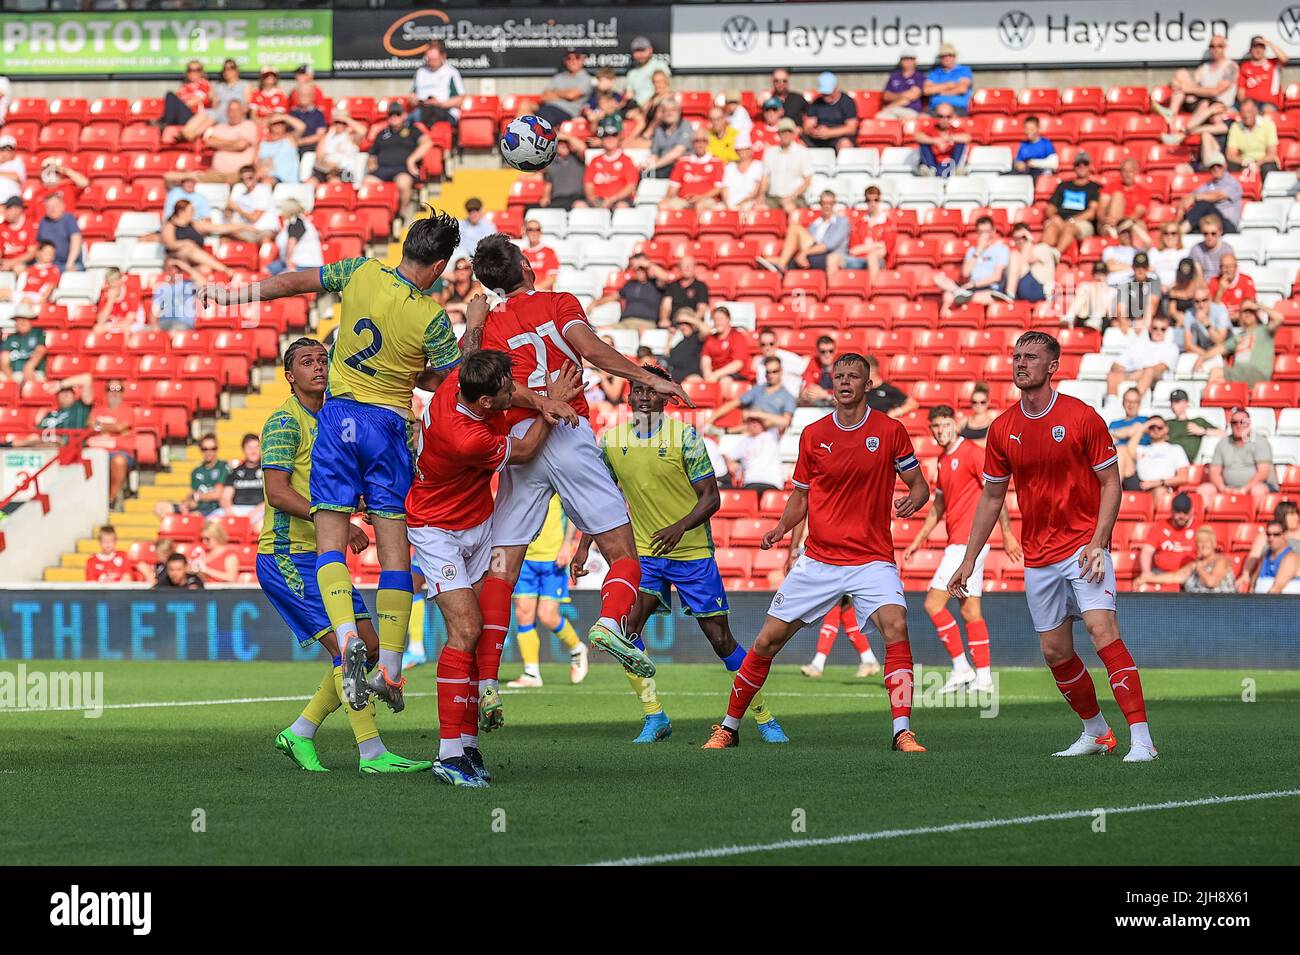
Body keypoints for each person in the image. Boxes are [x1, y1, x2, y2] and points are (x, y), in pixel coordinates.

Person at [199, 210, 469, 713]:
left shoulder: (361, 271)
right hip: (388, 425)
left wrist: (236, 294)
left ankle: (346, 637)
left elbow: (293, 282)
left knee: (331, 544)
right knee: (394, 555)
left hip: (339, 420)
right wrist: (469, 337)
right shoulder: (431, 317)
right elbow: (452, 382)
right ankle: (390, 665)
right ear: (438, 265)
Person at [463, 233, 693, 710]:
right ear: (526, 266)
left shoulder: (490, 324)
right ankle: (610, 623)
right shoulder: (558, 301)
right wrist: (648, 377)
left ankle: (486, 682)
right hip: (566, 429)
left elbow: (470, 375)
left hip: (520, 439)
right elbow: (592, 350)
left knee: (502, 566)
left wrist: (474, 325)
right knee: (623, 552)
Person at [703, 352, 930, 751]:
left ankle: (902, 730)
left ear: (867, 384)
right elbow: (800, 497)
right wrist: (779, 528)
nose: (844, 382)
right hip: (819, 560)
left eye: (853, 376)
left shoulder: (890, 430)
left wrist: (915, 497)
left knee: (896, 627)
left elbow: (920, 484)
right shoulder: (813, 434)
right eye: (839, 376)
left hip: (872, 559)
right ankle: (729, 727)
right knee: (766, 643)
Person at [948, 330, 1158, 762]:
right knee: (1054, 650)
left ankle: (1142, 740)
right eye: (1016, 355)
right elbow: (991, 495)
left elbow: (1111, 484)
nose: (1020, 363)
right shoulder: (1003, 427)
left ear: (1052, 367)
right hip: (1038, 556)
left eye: (1030, 357)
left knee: (1103, 633)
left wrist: (1099, 543)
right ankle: (1097, 733)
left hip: (1084, 547)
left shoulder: (1082, 417)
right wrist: (969, 559)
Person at [579, 367, 788, 743]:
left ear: (665, 398)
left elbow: (712, 497)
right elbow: (601, 501)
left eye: (652, 391)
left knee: (720, 639)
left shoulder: (685, 438)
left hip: (691, 552)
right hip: (644, 553)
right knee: (625, 634)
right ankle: (654, 716)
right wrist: (582, 546)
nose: (643, 396)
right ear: (629, 397)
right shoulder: (611, 441)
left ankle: (764, 717)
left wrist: (679, 528)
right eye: (637, 390)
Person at [259, 337, 432, 776]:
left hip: (320, 553)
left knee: (368, 649)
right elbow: (276, 492)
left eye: (323, 359)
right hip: (287, 554)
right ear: (289, 375)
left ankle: (300, 731)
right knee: (347, 653)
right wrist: (338, 521)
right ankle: (372, 753)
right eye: (306, 362)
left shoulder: (340, 418)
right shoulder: (284, 422)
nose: (317, 367)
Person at [410, 350, 577, 787]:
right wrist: (552, 404)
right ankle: (448, 754)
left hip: (477, 524)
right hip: (437, 529)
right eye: (507, 390)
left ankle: (467, 745)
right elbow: (522, 451)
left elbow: (481, 362)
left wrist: (479, 325)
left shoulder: (458, 383)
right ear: (486, 402)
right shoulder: (467, 436)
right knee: (465, 629)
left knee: (477, 629)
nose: (513, 392)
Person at [902, 405, 1022, 692]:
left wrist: (1007, 533)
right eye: (935, 426)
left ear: (955, 423)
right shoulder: (944, 460)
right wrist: (917, 541)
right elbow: (938, 507)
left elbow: (995, 493)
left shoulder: (972, 452)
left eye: (944, 424)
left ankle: (961, 668)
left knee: (933, 604)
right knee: (970, 611)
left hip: (967, 545)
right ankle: (983, 677)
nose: (940, 430)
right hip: (960, 544)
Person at [504, 495, 588, 688]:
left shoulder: (553, 474)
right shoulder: (513, 476)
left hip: (553, 557)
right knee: (523, 612)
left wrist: (568, 544)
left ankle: (577, 648)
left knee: (547, 615)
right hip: (523, 556)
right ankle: (531, 673)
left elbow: (572, 510)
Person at [1157, 34, 1236, 136]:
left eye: (1219, 46)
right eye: (1212, 46)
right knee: (1181, 74)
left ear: (1225, 47)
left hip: (1219, 107)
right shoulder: (1205, 67)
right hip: (1201, 102)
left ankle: (1182, 132)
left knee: (1203, 103)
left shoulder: (1230, 67)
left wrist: (1187, 88)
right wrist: (1176, 83)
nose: (1215, 49)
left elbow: (1216, 91)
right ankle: (1171, 116)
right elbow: (1190, 82)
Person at [759, 190, 849, 274]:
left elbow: (828, 245)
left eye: (830, 203)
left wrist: (804, 253)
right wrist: (803, 254)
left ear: (834, 204)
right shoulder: (815, 223)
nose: (827, 206)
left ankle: (781, 266)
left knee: (794, 228)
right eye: (824, 203)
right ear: (820, 204)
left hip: (828, 256)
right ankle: (780, 266)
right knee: (769, 260)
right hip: (811, 255)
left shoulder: (841, 222)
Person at [1200, 407, 1276, 503]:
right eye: (1234, 422)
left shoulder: (1260, 442)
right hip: (1228, 487)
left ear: (1249, 423)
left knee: (1258, 490)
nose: (1238, 425)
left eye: (1242, 422)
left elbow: (1263, 473)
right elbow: (1214, 471)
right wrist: (1222, 488)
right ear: (1230, 424)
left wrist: (1244, 489)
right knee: (1204, 490)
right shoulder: (1223, 443)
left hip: (1257, 485)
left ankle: (1252, 517)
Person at [933, 214, 1009, 311]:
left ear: (993, 231)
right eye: (981, 232)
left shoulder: (1001, 249)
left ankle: (961, 296)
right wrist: (978, 251)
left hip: (987, 287)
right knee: (938, 278)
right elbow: (965, 273)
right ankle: (959, 292)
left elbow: (997, 276)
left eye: (987, 231)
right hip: (969, 288)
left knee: (949, 296)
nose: (984, 235)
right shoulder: (972, 251)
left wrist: (975, 284)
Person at [366, 103, 433, 211]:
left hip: (403, 169)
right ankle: (378, 215)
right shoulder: (382, 133)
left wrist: (412, 160)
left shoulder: (412, 130)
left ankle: (401, 214)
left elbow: (427, 143)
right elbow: (372, 153)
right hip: (382, 170)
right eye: (391, 114)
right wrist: (371, 163)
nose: (394, 117)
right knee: (367, 184)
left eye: (397, 114)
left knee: (403, 183)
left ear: (404, 115)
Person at [1201, 299, 1283, 386]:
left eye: (1250, 311)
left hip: (1256, 374)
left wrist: (1259, 306)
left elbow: (1279, 318)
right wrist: (1201, 359)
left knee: (1218, 376)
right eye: (1244, 311)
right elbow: (1221, 348)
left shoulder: (1264, 330)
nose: (1247, 314)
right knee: (1216, 375)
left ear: (1256, 313)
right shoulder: (1239, 336)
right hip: (1238, 373)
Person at [1136, 526, 1235, 593]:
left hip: (1221, 610)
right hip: (1197, 611)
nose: (1204, 545)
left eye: (1207, 541)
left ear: (1214, 543)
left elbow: (1211, 582)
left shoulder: (1221, 561)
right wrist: (1147, 578)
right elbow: (1174, 577)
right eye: (1200, 542)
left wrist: (1200, 569)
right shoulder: (1194, 565)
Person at [1126, 416, 1192, 510]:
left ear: (1166, 429)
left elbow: (1183, 477)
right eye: (1152, 427)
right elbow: (1129, 450)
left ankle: (1156, 523)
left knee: (1159, 491)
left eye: (1159, 427)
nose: (1156, 430)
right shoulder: (1141, 449)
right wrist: (1145, 426)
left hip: (1162, 486)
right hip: (1139, 486)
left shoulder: (1175, 449)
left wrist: (1157, 483)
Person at [1105, 316, 1179, 399]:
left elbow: (1160, 368)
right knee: (1112, 376)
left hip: (1156, 379)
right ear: (1150, 328)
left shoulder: (1171, 347)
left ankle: (1134, 401)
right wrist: (1126, 372)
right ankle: (1112, 405)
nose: (1159, 331)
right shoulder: (1138, 345)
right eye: (1155, 328)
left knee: (1149, 371)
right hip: (1133, 374)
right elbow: (1116, 365)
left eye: (1163, 329)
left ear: (1167, 330)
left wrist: (1133, 375)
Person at [1042, 153, 1101, 254]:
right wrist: (1054, 217)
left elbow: (1091, 213)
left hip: (1081, 222)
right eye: (1078, 164)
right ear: (1074, 166)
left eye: (1085, 163)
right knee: (1051, 227)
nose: (1081, 166)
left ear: (1089, 167)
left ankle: (1056, 254)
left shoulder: (1094, 187)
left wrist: (1072, 220)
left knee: (1069, 228)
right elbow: (1050, 208)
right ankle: (1043, 254)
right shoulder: (1063, 186)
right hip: (1060, 220)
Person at [162, 200, 233, 280]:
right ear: (181, 212)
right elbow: (170, 244)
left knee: (206, 269)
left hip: (192, 264)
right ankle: (225, 269)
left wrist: (245, 227)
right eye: (191, 210)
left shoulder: (194, 224)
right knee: (189, 249)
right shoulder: (170, 225)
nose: (194, 213)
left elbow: (220, 228)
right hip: (176, 260)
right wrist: (186, 243)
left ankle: (193, 278)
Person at [1137, 492, 1198, 579]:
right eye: (1178, 512)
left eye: (1185, 512)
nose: (1181, 516)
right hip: (1162, 574)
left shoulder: (1199, 529)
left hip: (1189, 575)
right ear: (1172, 510)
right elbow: (1147, 551)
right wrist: (1146, 572)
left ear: (1191, 511)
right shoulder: (1160, 527)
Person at [197, 100, 260, 184]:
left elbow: (240, 145)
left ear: (242, 112)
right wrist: (234, 142)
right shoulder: (219, 127)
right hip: (216, 173)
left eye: (237, 110)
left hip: (238, 174)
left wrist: (219, 143)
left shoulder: (249, 125)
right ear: (226, 113)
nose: (233, 113)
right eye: (230, 110)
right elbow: (209, 142)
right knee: (192, 179)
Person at [659, 130, 724, 211]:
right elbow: (673, 187)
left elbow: (718, 188)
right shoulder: (682, 162)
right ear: (692, 143)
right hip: (684, 200)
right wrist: (667, 198)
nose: (700, 144)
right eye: (697, 141)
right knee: (664, 205)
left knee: (700, 205)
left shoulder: (716, 162)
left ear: (708, 143)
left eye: (703, 140)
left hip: (706, 199)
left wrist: (700, 197)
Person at [840, 185, 895, 279]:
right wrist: (874, 245)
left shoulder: (889, 224)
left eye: (876, 200)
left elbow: (884, 251)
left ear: (880, 200)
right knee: (835, 259)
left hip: (879, 262)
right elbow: (853, 251)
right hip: (858, 260)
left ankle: (875, 292)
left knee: (872, 258)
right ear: (865, 201)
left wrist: (865, 248)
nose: (872, 203)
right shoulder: (858, 225)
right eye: (869, 200)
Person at [760, 118, 813, 212]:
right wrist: (760, 196)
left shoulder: (802, 152)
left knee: (789, 208)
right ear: (778, 134)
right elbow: (765, 178)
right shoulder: (770, 152)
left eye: (789, 132)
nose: (786, 135)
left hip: (795, 197)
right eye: (783, 132)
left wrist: (791, 197)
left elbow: (807, 181)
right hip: (773, 198)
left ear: (793, 134)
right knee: (757, 209)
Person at [585, 122, 641, 210]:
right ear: (601, 139)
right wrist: (595, 201)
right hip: (598, 201)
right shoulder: (594, 161)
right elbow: (588, 185)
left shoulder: (626, 161)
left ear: (619, 138)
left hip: (619, 200)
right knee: (579, 206)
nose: (610, 139)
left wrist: (612, 199)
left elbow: (631, 186)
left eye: (614, 135)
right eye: (606, 136)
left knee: (621, 207)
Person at [411, 39, 465, 129]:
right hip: (422, 110)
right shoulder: (421, 72)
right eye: (428, 59)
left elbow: (460, 99)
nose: (430, 62)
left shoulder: (451, 72)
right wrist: (415, 99)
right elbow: (412, 94)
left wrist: (439, 103)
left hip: (444, 111)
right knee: (404, 120)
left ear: (443, 56)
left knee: (432, 115)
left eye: (434, 59)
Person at [535, 49, 593, 129]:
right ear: (565, 61)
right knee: (525, 106)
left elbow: (571, 95)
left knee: (541, 120)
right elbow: (544, 97)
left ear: (582, 60)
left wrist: (555, 92)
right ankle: (518, 137)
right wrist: (565, 94)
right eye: (569, 58)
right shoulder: (559, 77)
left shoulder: (585, 78)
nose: (573, 61)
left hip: (566, 112)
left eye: (577, 57)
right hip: (547, 108)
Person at [1181, 160, 1242, 236]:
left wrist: (1196, 197)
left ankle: (1180, 231)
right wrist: (1183, 206)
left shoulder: (1232, 182)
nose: (1216, 169)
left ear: (1225, 166)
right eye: (1212, 167)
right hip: (1209, 225)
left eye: (1219, 166)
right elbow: (1188, 198)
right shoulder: (1207, 185)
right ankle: (1178, 229)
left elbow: (1218, 196)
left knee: (1204, 204)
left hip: (1228, 225)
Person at [803, 71, 858, 152]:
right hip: (818, 139)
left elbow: (851, 128)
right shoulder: (816, 103)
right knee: (799, 145)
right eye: (824, 93)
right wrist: (814, 132)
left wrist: (830, 133)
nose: (826, 96)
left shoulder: (848, 102)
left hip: (839, 138)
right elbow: (808, 125)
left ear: (836, 88)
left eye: (828, 93)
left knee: (845, 144)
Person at [1100, 159, 1152, 243]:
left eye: (1131, 171)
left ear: (1136, 172)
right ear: (1120, 172)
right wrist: (1104, 219)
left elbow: (1137, 213)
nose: (1127, 175)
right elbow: (1101, 208)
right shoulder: (1111, 187)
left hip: (1128, 223)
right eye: (1124, 171)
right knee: (1118, 195)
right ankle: (1113, 233)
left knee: (1139, 226)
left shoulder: (1143, 192)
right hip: (1109, 224)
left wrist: (1120, 221)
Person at [700, 305, 755, 384]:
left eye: (721, 319)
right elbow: (706, 359)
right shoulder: (710, 339)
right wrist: (707, 374)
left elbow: (738, 363)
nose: (718, 322)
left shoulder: (737, 336)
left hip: (734, 374)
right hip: (714, 374)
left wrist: (716, 375)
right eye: (715, 320)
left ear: (728, 320)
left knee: (725, 381)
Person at [1225, 98, 1279, 178]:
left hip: (1264, 162)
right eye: (1243, 112)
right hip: (1244, 161)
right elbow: (1230, 154)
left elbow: (1271, 154)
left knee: (1268, 168)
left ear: (1256, 111)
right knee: (1229, 167)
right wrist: (1246, 163)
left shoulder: (1268, 125)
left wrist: (1256, 164)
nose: (1246, 115)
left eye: (1249, 112)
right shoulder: (1235, 126)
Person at [1165, 388, 1223, 462]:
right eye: (1172, 402)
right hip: (1167, 459)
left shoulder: (1197, 421)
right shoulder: (1167, 423)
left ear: (1186, 403)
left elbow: (1222, 433)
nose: (1173, 405)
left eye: (1177, 402)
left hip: (1186, 462)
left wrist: (1202, 431)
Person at [1004, 222, 1056, 304]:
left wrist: (1029, 241)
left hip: (1040, 290)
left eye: (1023, 237)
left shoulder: (1042, 248)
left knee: (1014, 255)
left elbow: (1026, 258)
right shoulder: (1016, 255)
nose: (1020, 241)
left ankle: (1009, 296)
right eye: (1017, 239)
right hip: (1022, 289)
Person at [915, 103, 971, 178]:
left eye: (948, 116)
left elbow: (967, 137)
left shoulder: (955, 130)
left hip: (951, 163)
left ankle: (956, 169)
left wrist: (948, 138)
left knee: (961, 144)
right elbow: (918, 137)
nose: (944, 120)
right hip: (934, 163)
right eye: (940, 116)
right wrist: (935, 141)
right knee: (924, 144)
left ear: (953, 116)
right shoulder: (930, 129)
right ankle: (930, 169)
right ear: (936, 116)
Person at [313, 106, 366, 183]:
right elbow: (319, 156)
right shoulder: (326, 137)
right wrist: (327, 165)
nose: (340, 125)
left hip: (344, 171)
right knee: (310, 183)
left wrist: (345, 118)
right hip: (326, 169)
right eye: (337, 122)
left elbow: (363, 131)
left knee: (334, 182)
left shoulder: (351, 137)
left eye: (343, 123)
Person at [1237, 35, 1289, 112]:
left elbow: (1285, 59)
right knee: (1231, 111)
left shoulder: (1273, 63)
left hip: (1268, 104)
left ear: (1265, 49)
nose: (1258, 50)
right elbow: (1241, 91)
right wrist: (1245, 104)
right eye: (1255, 47)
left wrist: (1269, 44)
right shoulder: (1245, 66)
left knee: (1267, 110)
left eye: (1261, 47)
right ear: (1250, 49)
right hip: (1249, 103)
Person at [270, 199, 323, 275]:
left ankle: (255, 286)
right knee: (269, 269)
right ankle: (255, 286)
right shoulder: (297, 222)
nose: (280, 212)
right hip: (299, 263)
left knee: (273, 278)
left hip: (304, 265)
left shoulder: (296, 222)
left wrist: (288, 260)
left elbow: (292, 242)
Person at [221, 432, 264, 524]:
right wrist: (230, 513)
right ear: (243, 449)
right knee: (212, 522)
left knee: (260, 526)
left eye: (257, 447)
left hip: (260, 511)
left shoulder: (267, 471)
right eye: (249, 447)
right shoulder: (235, 471)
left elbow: (271, 498)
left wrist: (255, 512)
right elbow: (225, 497)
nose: (253, 451)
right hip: (236, 509)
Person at [644, 98, 691, 180]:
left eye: (673, 110)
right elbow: (655, 153)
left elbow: (677, 153)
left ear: (679, 111)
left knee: (656, 174)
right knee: (643, 174)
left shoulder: (685, 126)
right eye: (666, 110)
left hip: (681, 166)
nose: (669, 113)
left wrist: (655, 165)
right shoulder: (659, 129)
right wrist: (648, 164)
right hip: (662, 166)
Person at [1179, 286, 1233, 358]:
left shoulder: (1221, 312)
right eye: (1197, 301)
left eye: (1204, 300)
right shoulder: (1189, 314)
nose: (1201, 305)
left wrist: (1205, 323)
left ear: (1210, 299)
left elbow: (1220, 341)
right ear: (1193, 302)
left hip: (1225, 354)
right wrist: (1206, 357)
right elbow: (1188, 345)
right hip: (1204, 353)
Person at [657, 256, 709, 328]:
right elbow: (666, 306)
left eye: (689, 265)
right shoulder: (672, 286)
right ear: (679, 268)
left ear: (694, 268)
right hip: (673, 324)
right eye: (684, 266)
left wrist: (691, 322)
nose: (687, 268)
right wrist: (664, 319)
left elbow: (701, 309)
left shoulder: (701, 287)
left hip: (692, 324)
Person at [1249, 521, 1300, 593]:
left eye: (1276, 534)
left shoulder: (1291, 558)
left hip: (1283, 603)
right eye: (1268, 534)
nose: (1271, 538)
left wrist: (1258, 603)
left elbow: (1276, 589)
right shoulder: (1265, 555)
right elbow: (1254, 581)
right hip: (1263, 600)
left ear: (1285, 535)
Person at [35, 193, 81, 271]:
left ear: (63, 205)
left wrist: (70, 263)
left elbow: (76, 241)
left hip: (66, 263)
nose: (52, 208)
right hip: (48, 264)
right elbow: (39, 246)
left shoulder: (69, 219)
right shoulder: (43, 222)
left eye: (55, 205)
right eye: (49, 206)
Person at [923, 43, 974, 114]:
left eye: (950, 55)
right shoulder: (935, 73)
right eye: (943, 56)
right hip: (935, 109)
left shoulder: (964, 70)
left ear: (955, 57)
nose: (947, 58)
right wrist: (948, 85)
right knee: (921, 118)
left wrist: (939, 91)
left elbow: (961, 89)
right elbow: (926, 90)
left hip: (958, 108)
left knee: (946, 111)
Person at [0, 304, 46, 382]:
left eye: (23, 319)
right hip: (13, 374)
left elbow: (40, 351)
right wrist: (11, 378)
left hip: (34, 372)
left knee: (34, 378)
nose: (20, 323)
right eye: (18, 320)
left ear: (30, 320)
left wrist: (30, 366)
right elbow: (4, 361)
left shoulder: (38, 333)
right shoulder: (10, 338)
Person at [1117, 252, 1162, 330]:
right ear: (1133, 267)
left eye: (1144, 267)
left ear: (1148, 268)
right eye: (1137, 267)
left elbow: (1152, 306)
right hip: (1131, 322)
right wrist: (1125, 325)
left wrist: (1144, 325)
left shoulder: (1154, 281)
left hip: (1149, 323)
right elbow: (1121, 309)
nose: (1140, 270)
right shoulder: (1126, 283)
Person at [256, 114, 305, 185]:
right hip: (265, 176)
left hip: (284, 180)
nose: (278, 126)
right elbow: (256, 163)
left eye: (281, 123)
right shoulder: (262, 144)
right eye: (275, 123)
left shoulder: (289, 140)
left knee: (266, 183)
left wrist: (283, 116)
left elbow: (301, 126)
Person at [542, 134, 587, 210]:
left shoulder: (577, 158)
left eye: (565, 143)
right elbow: (549, 182)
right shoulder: (550, 163)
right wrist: (546, 196)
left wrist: (567, 137)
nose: (563, 145)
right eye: (560, 143)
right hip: (558, 199)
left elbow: (583, 148)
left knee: (581, 207)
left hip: (577, 198)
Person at [877, 51, 926, 120]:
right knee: (879, 117)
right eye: (905, 59)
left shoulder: (919, 76)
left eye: (910, 59)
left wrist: (893, 103)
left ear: (915, 61)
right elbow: (886, 96)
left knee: (908, 120)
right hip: (893, 110)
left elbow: (912, 96)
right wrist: (903, 96)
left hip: (910, 110)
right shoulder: (894, 76)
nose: (908, 61)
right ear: (901, 61)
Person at [624, 36, 669, 109]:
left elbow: (666, 90)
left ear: (650, 50)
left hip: (658, 107)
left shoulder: (660, 66)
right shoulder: (632, 73)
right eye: (637, 51)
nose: (639, 54)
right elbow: (629, 95)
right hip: (638, 109)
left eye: (642, 50)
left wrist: (650, 103)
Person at [1208, 252, 1256, 320]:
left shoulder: (1246, 280)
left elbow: (1250, 307)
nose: (1227, 270)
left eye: (1230, 266)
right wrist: (1220, 291)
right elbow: (1212, 311)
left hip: (1241, 321)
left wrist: (1230, 317)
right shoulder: (1213, 282)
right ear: (1220, 268)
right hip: (1221, 323)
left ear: (1236, 267)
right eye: (1224, 266)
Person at [721, 137, 764, 212]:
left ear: (750, 150)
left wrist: (738, 205)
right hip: (729, 205)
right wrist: (727, 205)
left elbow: (755, 192)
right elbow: (725, 189)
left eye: (745, 149)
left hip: (748, 203)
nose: (742, 152)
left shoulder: (757, 165)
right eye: (739, 149)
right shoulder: (729, 167)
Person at [666, 309, 706, 383]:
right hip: (674, 379)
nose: (683, 326)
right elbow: (667, 355)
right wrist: (669, 339)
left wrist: (690, 319)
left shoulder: (697, 337)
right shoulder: (678, 340)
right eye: (680, 323)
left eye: (686, 323)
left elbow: (706, 331)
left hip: (691, 379)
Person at [520, 219, 560, 292]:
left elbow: (552, 278)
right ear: (525, 232)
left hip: (543, 292)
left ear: (541, 232)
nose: (533, 233)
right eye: (530, 229)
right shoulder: (521, 254)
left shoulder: (549, 252)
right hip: (525, 293)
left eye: (537, 230)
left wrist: (535, 289)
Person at [1108, 387, 1150, 454]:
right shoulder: (1114, 423)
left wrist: (1115, 433)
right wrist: (1130, 431)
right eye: (1128, 401)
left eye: (1135, 402)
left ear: (1139, 404)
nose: (1131, 405)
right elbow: (1108, 442)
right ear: (1123, 403)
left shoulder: (1145, 420)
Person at [1014, 115, 1058, 179]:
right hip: (1026, 175)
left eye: (1032, 129)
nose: (1029, 131)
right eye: (1027, 129)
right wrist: (1019, 165)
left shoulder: (1046, 144)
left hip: (1041, 175)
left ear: (1038, 128)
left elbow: (1054, 164)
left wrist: (1034, 163)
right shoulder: (1024, 145)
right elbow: (1018, 161)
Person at [289, 88, 327, 156]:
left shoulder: (318, 114)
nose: (303, 98)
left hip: (311, 147)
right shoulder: (293, 113)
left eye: (306, 95)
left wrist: (301, 142)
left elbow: (320, 135)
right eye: (301, 95)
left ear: (312, 97)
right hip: (293, 146)